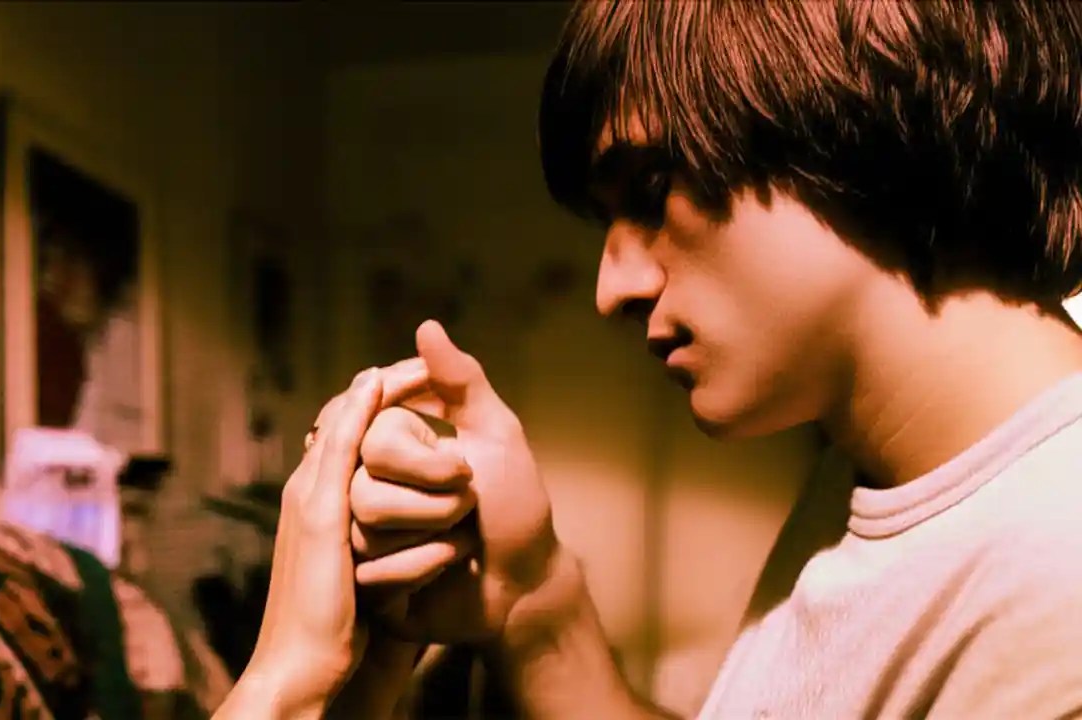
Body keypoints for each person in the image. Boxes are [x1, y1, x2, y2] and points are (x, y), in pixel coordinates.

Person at [215, 1, 1082, 717]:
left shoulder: (1056, 580)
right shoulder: (888, 468)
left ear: (859, 108)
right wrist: (531, 599)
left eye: (649, 190)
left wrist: (285, 687)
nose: (612, 287)